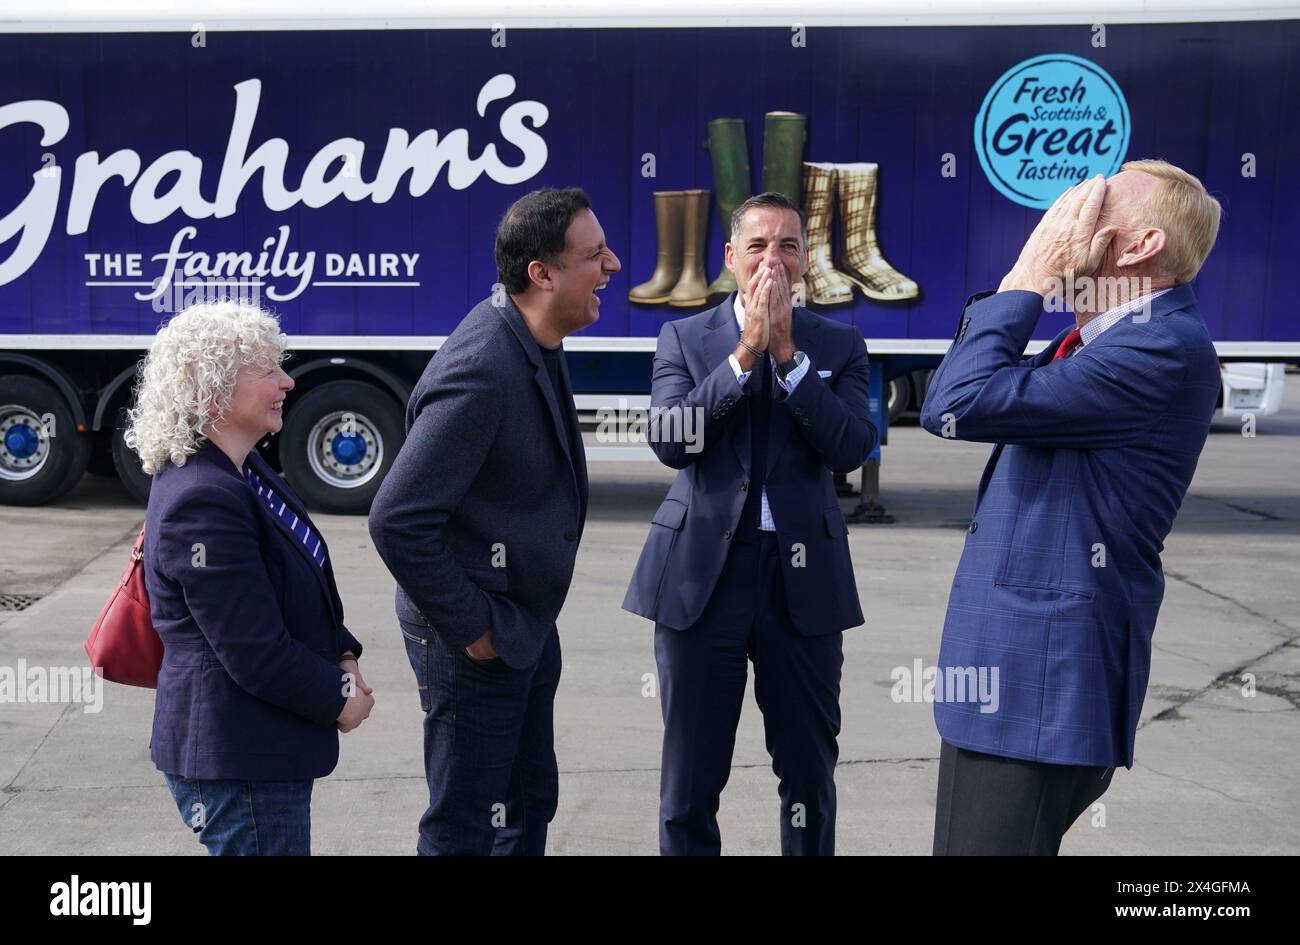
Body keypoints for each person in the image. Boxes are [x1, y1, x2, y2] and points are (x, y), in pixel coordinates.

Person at [920, 161, 1223, 855]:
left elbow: (955, 405)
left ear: (1141, 245)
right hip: (1014, 682)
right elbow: (972, 385)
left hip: (1040, 688)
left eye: (1089, 207)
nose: (1062, 219)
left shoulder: (1160, 347)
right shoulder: (1108, 340)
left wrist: (1028, 275)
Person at [622, 192, 877, 855]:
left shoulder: (840, 343)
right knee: (689, 783)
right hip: (702, 578)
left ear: (805, 261)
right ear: (731, 257)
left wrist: (789, 358)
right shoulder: (685, 337)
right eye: (758, 245)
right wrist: (745, 354)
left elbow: (852, 446)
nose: (773, 258)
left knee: (809, 776)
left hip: (802, 583)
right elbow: (673, 440)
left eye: (788, 245)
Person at [368, 187, 618, 855]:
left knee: (528, 802)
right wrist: (475, 629)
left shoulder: (531, 338)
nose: (613, 265)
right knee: (465, 827)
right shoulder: (483, 367)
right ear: (542, 274)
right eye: (595, 254)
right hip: (478, 638)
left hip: (522, 624)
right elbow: (396, 518)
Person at [128, 301, 374, 856]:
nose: (287, 381)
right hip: (239, 760)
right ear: (215, 393)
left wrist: (344, 653)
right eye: (268, 371)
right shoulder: (202, 498)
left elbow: (299, 584)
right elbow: (253, 650)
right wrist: (338, 699)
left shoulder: (244, 469)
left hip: (259, 746)